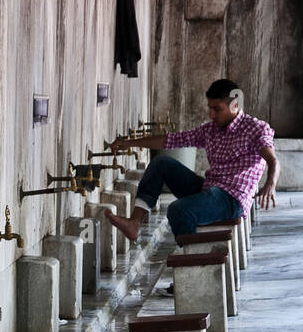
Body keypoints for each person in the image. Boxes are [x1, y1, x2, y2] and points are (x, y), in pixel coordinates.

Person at [104, 80, 280, 244]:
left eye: (217, 109)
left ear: (235, 105)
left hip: (232, 199)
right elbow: (171, 140)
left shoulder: (256, 128)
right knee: (161, 163)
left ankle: (192, 261)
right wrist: (129, 144)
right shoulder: (211, 130)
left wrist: (270, 184)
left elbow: (272, 160)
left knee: (178, 210)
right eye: (209, 108)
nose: (211, 114)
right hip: (210, 188)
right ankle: (135, 223)